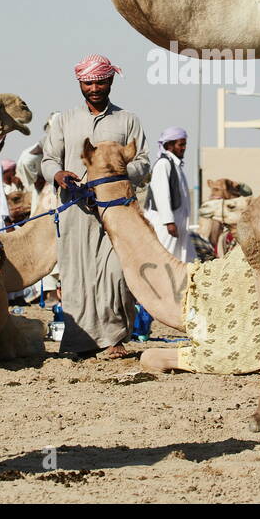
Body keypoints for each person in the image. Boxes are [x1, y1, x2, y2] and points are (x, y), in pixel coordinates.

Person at [41, 54, 149, 358]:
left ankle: (113, 338)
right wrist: (59, 175)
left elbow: (142, 162)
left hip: (116, 213)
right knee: (77, 277)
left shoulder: (128, 121)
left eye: (100, 81)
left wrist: (116, 175)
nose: (94, 87)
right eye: (88, 82)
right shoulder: (64, 121)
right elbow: (49, 160)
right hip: (76, 211)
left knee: (115, 274)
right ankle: (80, 343)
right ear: (80, 84)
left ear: (111, 80)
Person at [144, 127, 195, 263]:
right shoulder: (163, 164)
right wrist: (169, 222)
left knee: (184, 262)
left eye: (185, 144)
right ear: (169, 145)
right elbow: (162, 195)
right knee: (166, 261)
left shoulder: (175, 165)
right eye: (181, 144)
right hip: (165, 226)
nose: (184, 148)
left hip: (177, 226)